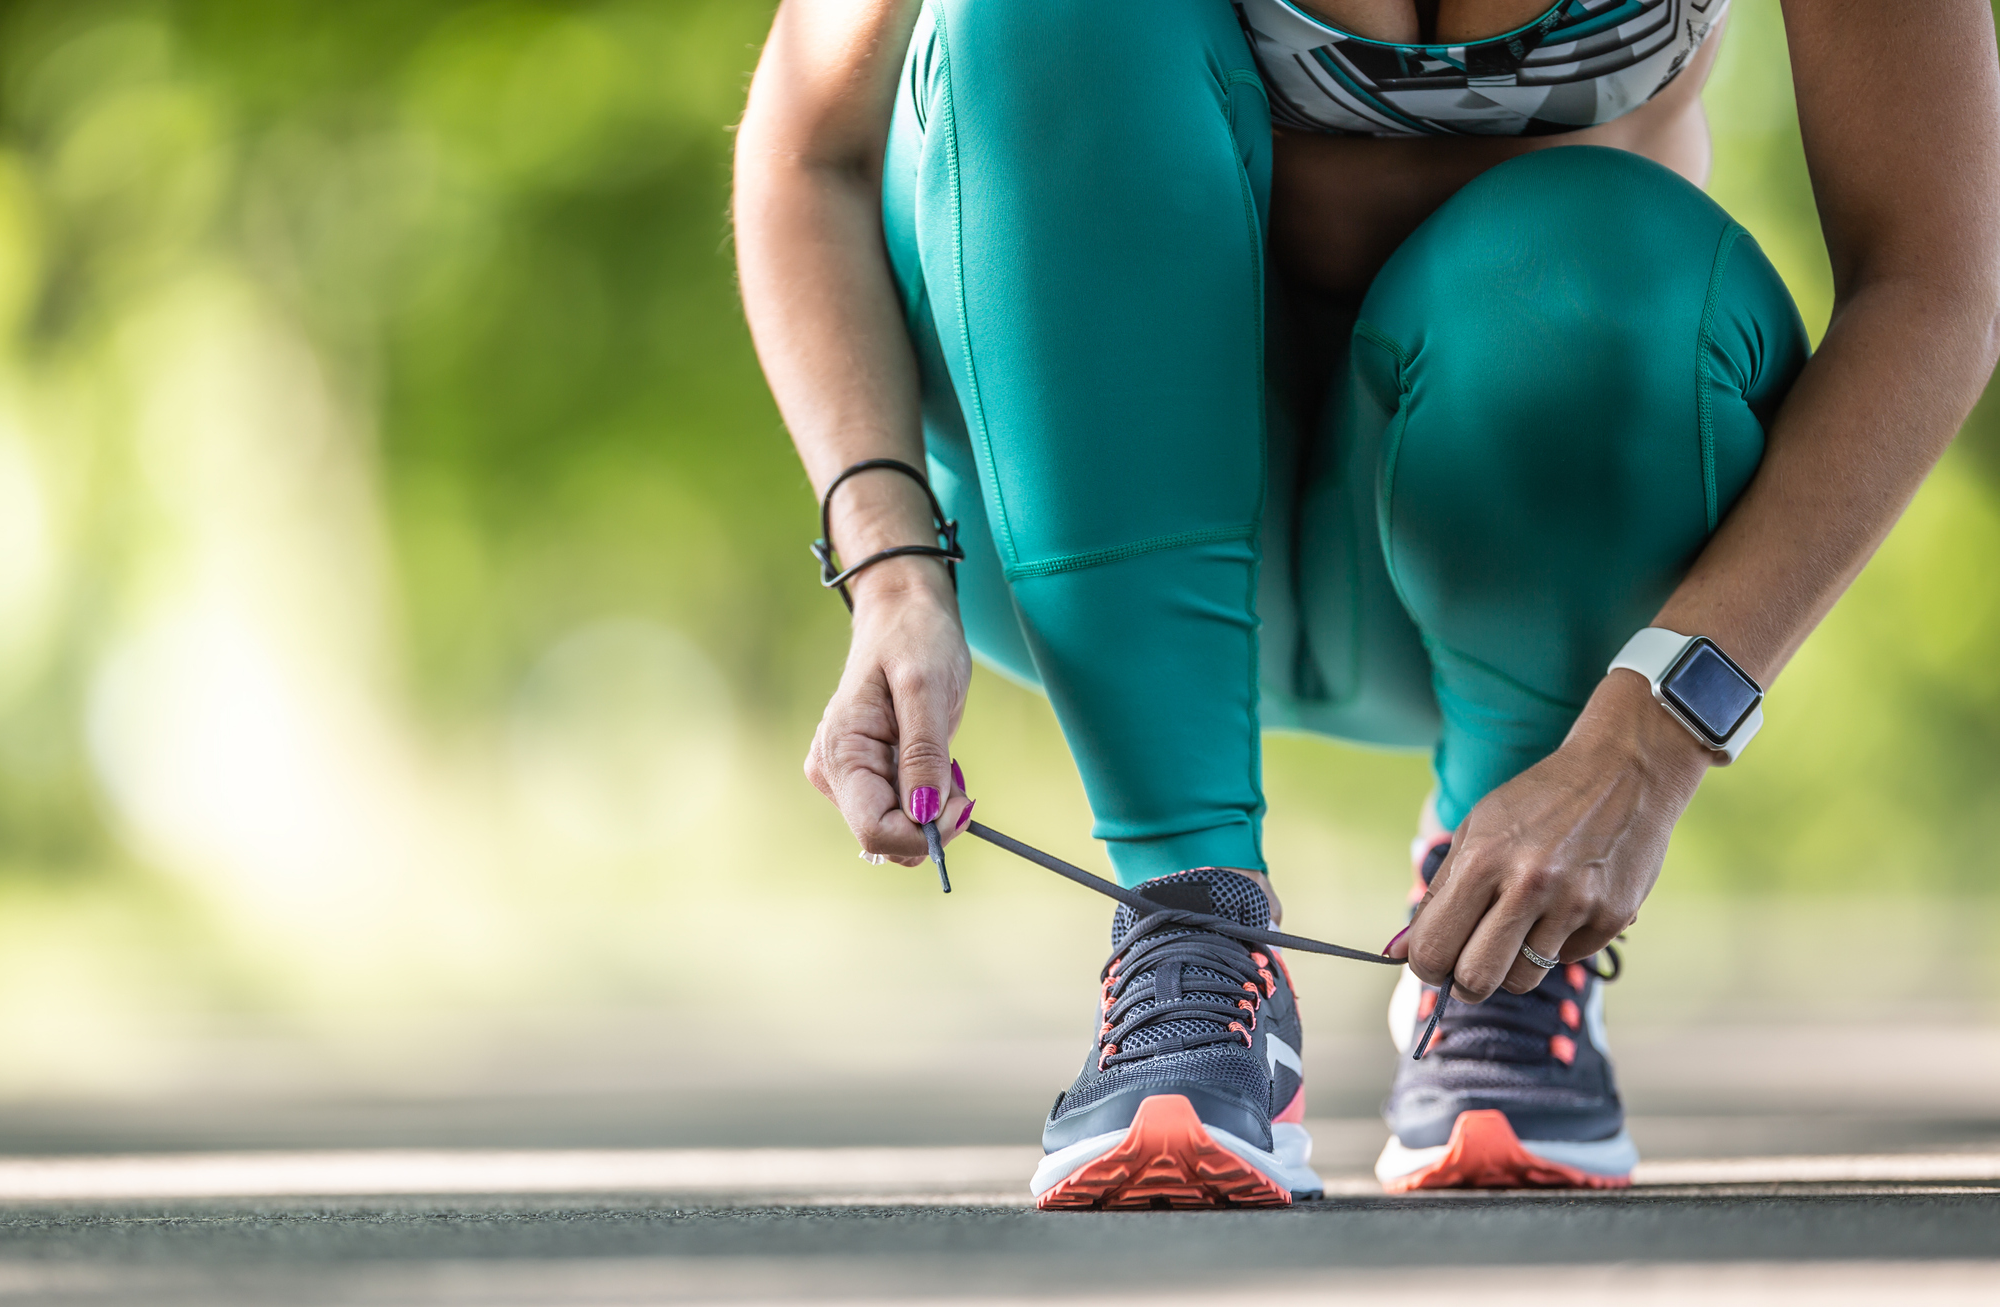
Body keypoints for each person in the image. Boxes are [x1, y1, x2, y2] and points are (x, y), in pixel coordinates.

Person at [732, 0, 2000, 1208]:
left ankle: (1504, 929)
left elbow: (1934, 282)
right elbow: (812, 151)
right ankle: (1188, 933)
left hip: (1503, 573)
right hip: (1065, 518)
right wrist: (892, 567)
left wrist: (1649, 741)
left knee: (1597, 260)